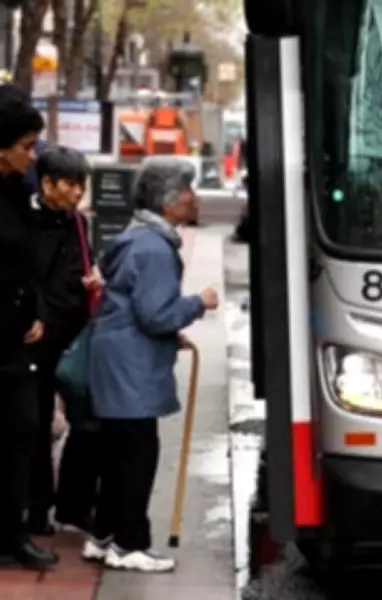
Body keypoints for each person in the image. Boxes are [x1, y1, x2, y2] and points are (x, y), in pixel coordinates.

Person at [82, 159, 219, 572]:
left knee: (116, 452)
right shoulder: (156, 248)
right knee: (137, 455)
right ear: (168, 199)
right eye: (187, 190)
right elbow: (156, 313)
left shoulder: (133, 237)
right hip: (132, 368)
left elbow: (129, 299)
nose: (193, 198)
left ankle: (103, 536)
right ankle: (130, 545)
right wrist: (200, 303)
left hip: (116, 357)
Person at [26, 146, 102, 536]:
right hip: (35, 339)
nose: (77, 194)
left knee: (88, 422)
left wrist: (90, 281)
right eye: (71, 185)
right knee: (36, 425)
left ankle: (74, 505)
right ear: (47, 183)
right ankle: (37, 509)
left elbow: (81, 266)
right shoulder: (23, 220)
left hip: (75, 337)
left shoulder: (77, 223)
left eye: (82, 185)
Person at [0, 86, 58, 569]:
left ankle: (12, 532)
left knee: (23, 428)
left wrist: (36, 308)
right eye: (26, 146)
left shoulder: (21, 190)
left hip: (15, 339)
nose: (33, 155)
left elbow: (29, 262)